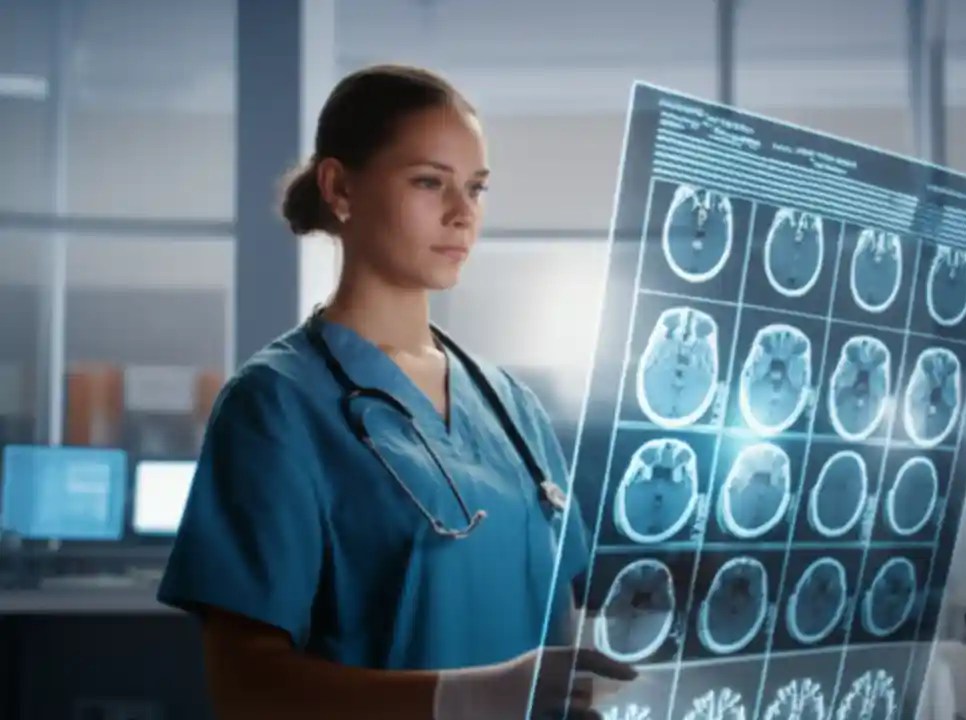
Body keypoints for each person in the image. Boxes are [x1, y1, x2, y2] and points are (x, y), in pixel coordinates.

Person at [156, 64, 636, 720]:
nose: (463, 214)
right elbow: (246, 687)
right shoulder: (277, 405)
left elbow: (567, 617)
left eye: (476, 187)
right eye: (429, 182)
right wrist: (474, 698)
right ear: (340, 188)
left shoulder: (511, 406)